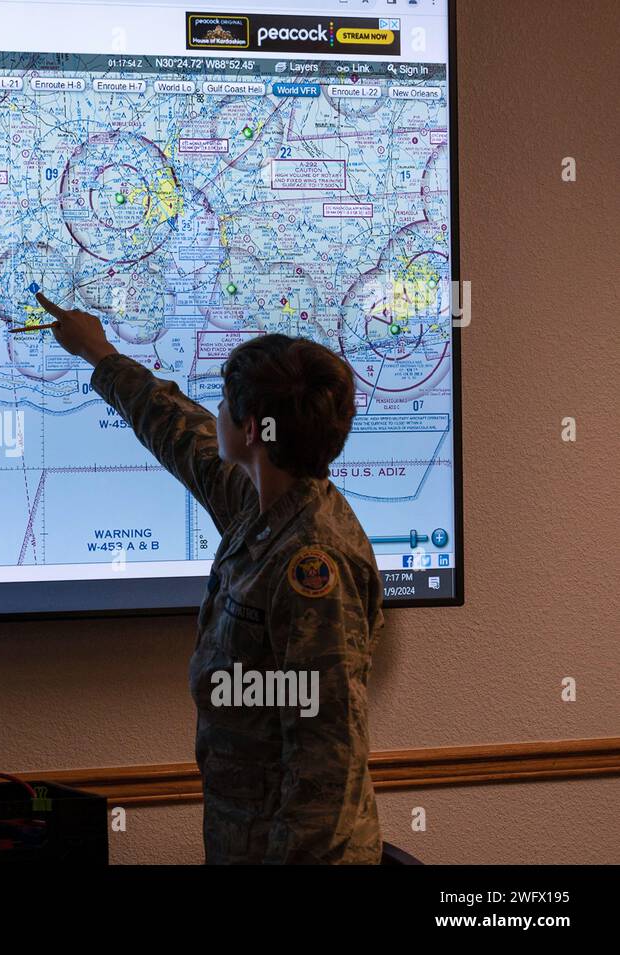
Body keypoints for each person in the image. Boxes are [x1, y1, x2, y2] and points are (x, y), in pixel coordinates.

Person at [35, 291, 385, 864]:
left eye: (223, 403)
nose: (212, 413)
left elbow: (329, 754)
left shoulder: (313, 564)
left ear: (251, 429)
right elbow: (179, 431)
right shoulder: (263, 502)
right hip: (243, 836)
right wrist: (98, 354)